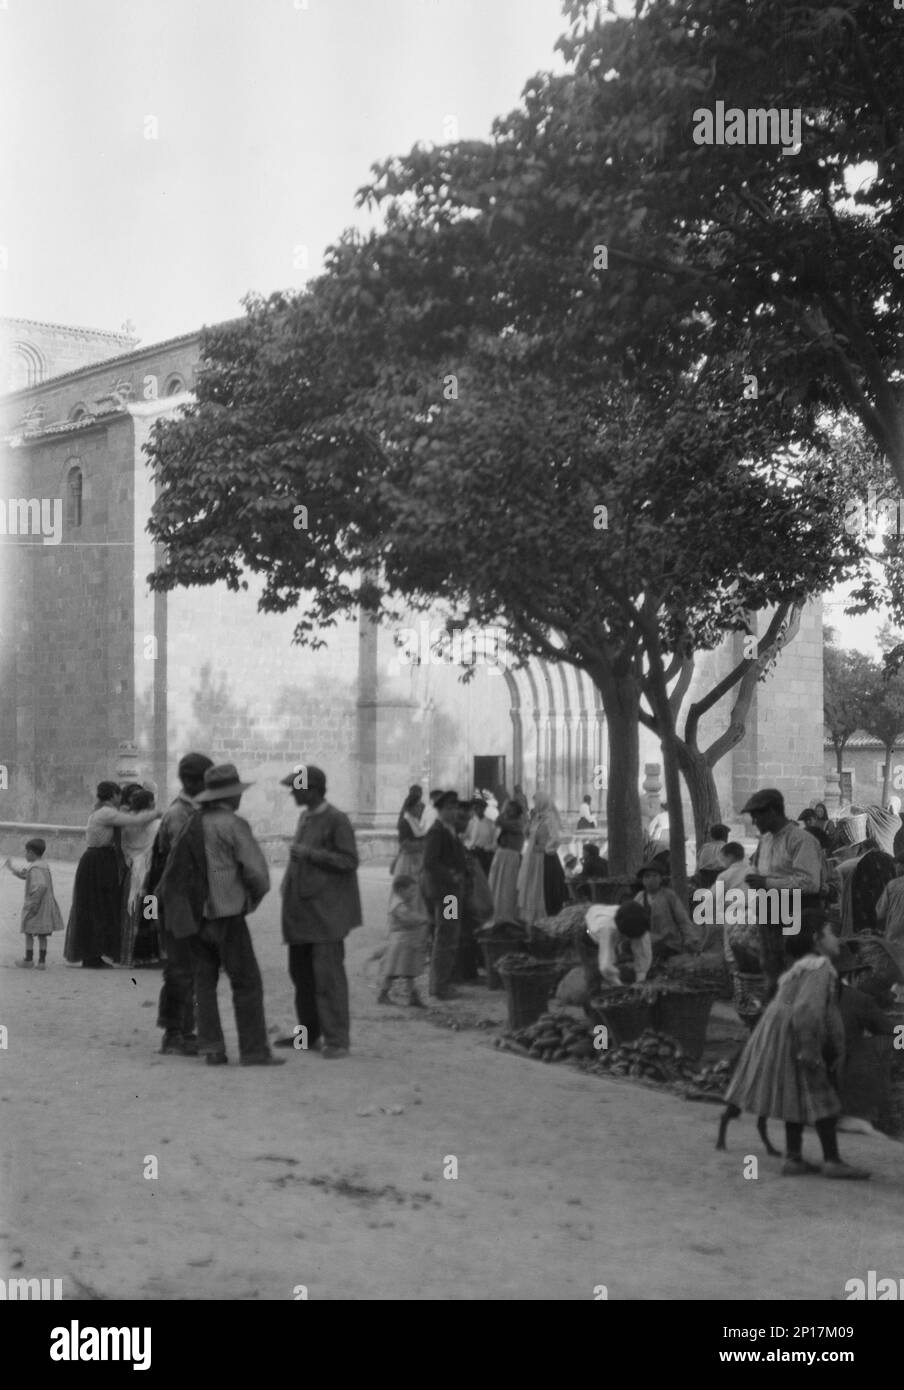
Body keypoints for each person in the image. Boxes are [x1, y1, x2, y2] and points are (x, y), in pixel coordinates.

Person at [724, 910, 869, 1179]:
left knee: (795, 1094)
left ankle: (793, 1157)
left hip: (781, 1038)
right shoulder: (820, 968)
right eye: (831, 933)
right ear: (817, 939)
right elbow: (808, 1010)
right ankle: (832, 1160)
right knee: (823, 1097)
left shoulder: (799, 969)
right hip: (799, 1038)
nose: (837, 938)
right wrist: (810, 1049)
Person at [190, 763, 282, 1066]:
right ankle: (254, 1050)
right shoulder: (233, 825)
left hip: (196, 916)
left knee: (204, 982)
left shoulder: (193, 823)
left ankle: (211, 1047)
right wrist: (250, 901)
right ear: (230, 797)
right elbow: (258, 873)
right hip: (228, 914)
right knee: (246, 981)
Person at [277, 764, 362, 1058]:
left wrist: (311, 855)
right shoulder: (305, 817)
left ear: (312, 789)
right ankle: (307, 1036)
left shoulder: (336, 819)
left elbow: (349, 860)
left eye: (296, 788)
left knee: (328, 978)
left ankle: (337, 1040)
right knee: (301, 978)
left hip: (325, 915)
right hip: (301, 915)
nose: (292, 793)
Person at [148, 752, 213, 1057]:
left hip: (190, 901)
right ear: (193, 781)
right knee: (180, 969)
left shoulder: (193, 812)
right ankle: (175, 1033)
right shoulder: (179, 815)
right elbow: (179, 865)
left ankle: (185, 1031)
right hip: (177, 902)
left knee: (191, 968)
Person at [64, 782, 161, 968]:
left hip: (105, 863)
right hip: (103, 862)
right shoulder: (107, 814)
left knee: (100, 908)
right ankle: (95, 956)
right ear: (113, 795)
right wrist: (157, 813)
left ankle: (98, 954)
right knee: (101, 908)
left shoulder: (101, 812)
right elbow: (134, 821)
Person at [741, 787, 826, 997]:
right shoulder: (766, 841)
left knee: (796, 974)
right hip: (769, 915)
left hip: (797, 916)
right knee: (772, 974)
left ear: (772, 812)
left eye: (756, 816)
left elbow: (810, 883)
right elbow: (758, 870)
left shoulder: (801, 840)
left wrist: (767, 882)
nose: (754, 822)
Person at [833, 943, 895, 1136]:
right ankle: (884, 1118)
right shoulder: (858, 999)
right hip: (841, 1077)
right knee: (880, 1045)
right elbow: (889, 1031)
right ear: (852, 975)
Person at [422, 791, 468, 1000]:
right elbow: (430, 862)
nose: (454, 811)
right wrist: (451, 875)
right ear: (440, 810)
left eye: (455, 807)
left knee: (449, 934)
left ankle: (442, 982)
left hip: (451, 891)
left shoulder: (450, 830)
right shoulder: (437, 832)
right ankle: (440, 985)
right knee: (446, 935)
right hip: (446, 893)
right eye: (449, 808)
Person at [717, 842, 766, 1030]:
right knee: (755, 956)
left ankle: (741, 997)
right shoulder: (754, 870)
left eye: (723, 857)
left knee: (733, 957)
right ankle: (755, 998)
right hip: (756, 918)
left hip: (734, 918)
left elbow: (714, 898)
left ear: (729, 857)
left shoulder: (725, 875)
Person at [120, 786, 162, 967]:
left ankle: (127, 952)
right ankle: (148, 952)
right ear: (151, 803)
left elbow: (124, 846)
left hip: (133, 869)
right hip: (150, 871)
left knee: (131, 910)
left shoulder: (126, 823)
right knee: (149, 911)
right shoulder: (157, 824)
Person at [5, 839, 64, 969]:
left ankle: (28, 959)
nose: (25, 855)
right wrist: (11, 868)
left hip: (37, 905)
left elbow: (41, 885)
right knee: (42, 935)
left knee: (28, 931)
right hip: (45, 905)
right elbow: (25, 875)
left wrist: (34, 903)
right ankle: (42, 962)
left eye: (26, 852)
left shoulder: (36, 868)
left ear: (31, 852)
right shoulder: (43, 865)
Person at [377, 874, 429, 1007]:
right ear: (401, 890)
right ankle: (386, 994)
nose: (414, 894)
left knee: (406, 971)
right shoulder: (399, 905)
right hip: (401, 943)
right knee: (396, 971)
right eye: (411, 891)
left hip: (404, 942)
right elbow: (408, 918)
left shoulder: (400, 903)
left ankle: (411, 996)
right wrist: (423, 919)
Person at [517, 791, 566, 926]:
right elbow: (528, 835)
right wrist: (531, 819)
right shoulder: (538, 817)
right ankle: (531, 922)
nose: (534, 805)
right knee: (531, 889)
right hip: (533, 859)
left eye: (536, 802)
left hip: (544, 860)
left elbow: (555, 838)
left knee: (542, 890)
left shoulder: (550, 818)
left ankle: (544, 921)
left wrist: (545, 849)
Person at [635, 862, 696, 961]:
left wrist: (690, 939)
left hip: (669, 944)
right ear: (642, 880)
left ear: (661, 878)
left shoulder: (669, 896)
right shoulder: (639, 898)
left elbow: (683, 920)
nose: (651, 880)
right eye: (647, 876)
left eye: (655, 876)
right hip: (646, 943)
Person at [488, 791, 524, 923]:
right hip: (501, 856)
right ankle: (496, 913)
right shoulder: (507, 821)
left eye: (512, 810)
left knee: (507, 888)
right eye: (508, 809)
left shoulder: (517, 823)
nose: (509, 812)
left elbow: (499, 822)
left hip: (510, 858)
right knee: (496, 885)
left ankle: (506, 915)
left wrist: (503, 812)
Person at [463, 796, 496, 877]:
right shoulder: (470, 822)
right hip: (472, 853)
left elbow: (495, 842)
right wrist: (468, 846)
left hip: (486, 854)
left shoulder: (490, 823)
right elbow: (464, 837)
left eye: (480, 808)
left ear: (484, 809)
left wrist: (486, 848)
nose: (477, 810)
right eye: (475, 808)